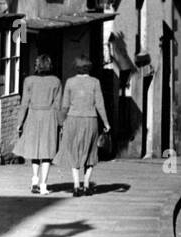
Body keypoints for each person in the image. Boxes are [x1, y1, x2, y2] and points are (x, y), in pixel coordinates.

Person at [59, 56, 111, 197]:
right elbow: (100, 104)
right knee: (91, 152)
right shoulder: (95, 82)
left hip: (73, 120)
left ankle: (76, 186)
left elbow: (65, 106)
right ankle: (87, 185)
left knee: (74, 151)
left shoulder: (70, 82)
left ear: (76, 67)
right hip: (90, 120)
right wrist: (106, 123)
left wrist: (61, 122)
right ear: (89, 67)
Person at [15, 55, 62, 194]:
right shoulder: (56, 81)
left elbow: (24, 103)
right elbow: (58, 105)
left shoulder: (29, 81)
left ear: (37, 66)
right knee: (47, 153)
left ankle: (34, 180)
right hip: (49, 117)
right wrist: (61, 123)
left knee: (34, 151)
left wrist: (20, 122)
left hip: (33, 116)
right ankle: (43, 185)